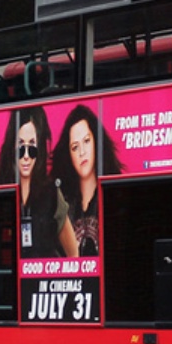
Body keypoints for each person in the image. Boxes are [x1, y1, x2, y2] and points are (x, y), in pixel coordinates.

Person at [0, 107, 78, 258]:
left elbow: (73, 253)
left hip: (45, 279)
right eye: (21, 146)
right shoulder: (2, 193)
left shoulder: (51, 193)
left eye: (32, 146)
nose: (26, 156)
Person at [51, 104, 123, 257]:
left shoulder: (114, 194)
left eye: (87, 141)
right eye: (75, 147)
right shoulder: (63, 202)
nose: (82, 152)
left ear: (97, 142)